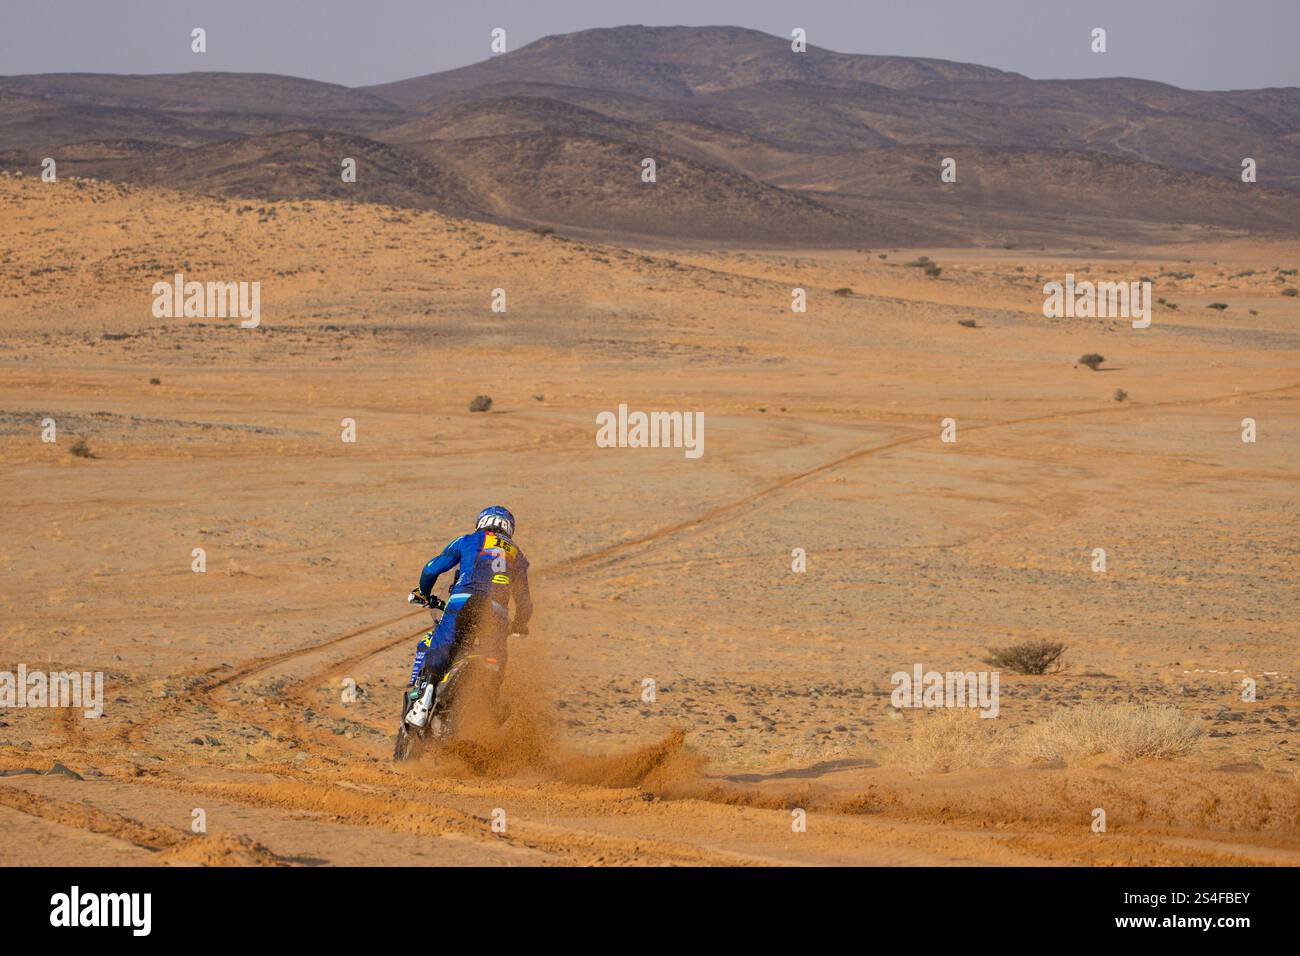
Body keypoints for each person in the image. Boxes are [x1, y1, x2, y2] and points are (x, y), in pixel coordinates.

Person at [406, 506, 532, 702]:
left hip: (463, 600)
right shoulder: (517, 555)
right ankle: (489, 709)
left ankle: (425, 695)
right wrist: (520, 623)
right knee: (495, 662)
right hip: (496, 612)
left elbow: (432, 569)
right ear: (509, 528)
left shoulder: (468, 540)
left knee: (442, 645)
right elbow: (524, 601)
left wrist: (423, 592)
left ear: (481, 522)